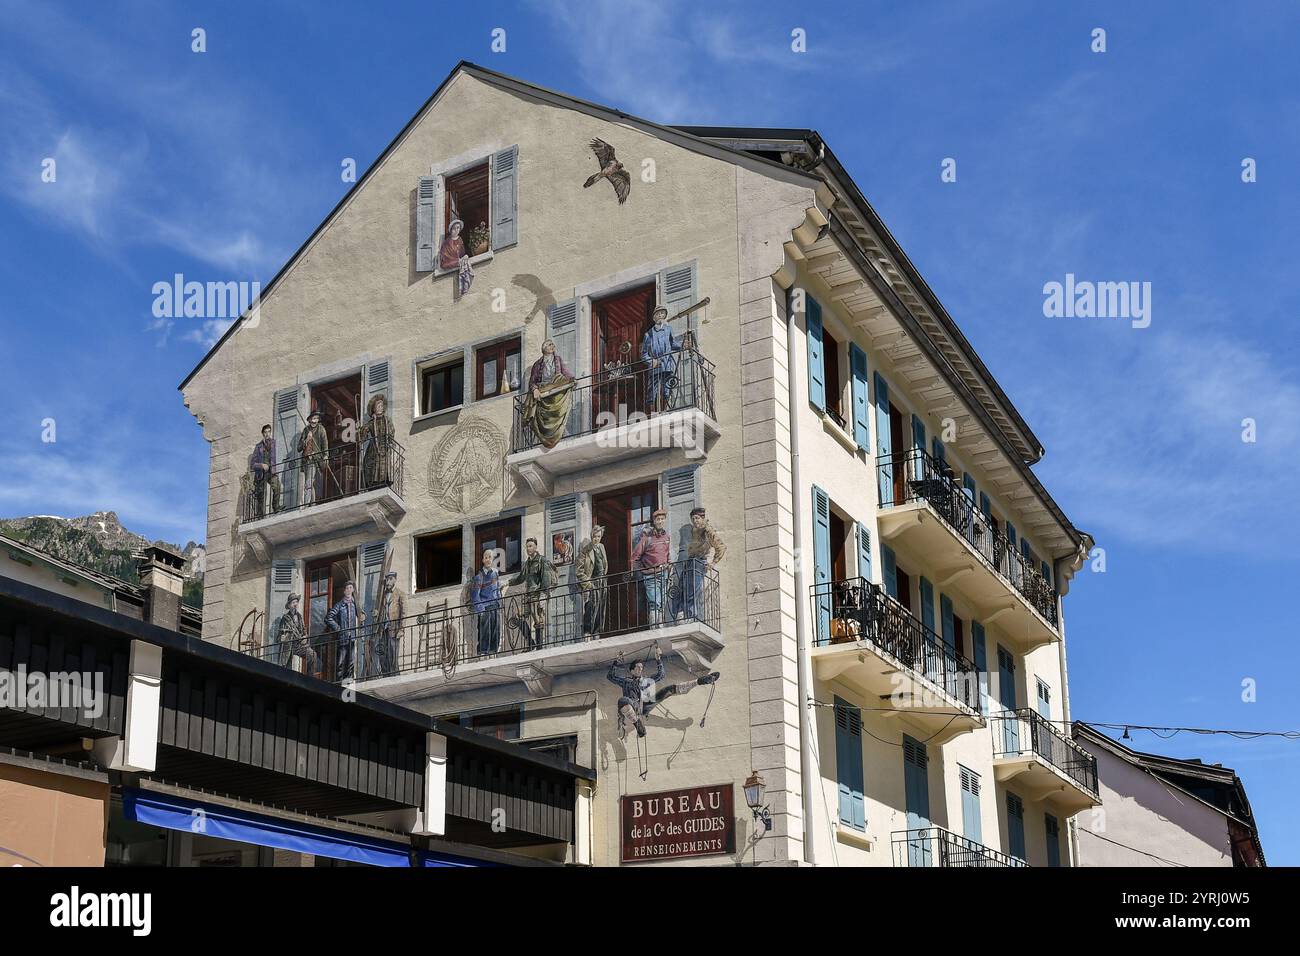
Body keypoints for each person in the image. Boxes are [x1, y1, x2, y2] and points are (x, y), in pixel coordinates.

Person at [606, 646, 719, 739]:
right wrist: (616, 661)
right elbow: (610, 676)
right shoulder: (625, 681)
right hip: (631, 705)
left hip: (644, 706)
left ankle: (700, 681)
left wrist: (658, 659)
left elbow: (661, 675)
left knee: (668, 690)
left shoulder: (646, 680)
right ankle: (637, 724)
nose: (640, 669)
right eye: (637, 668)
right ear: (631, 670)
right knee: (623, 700)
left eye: (641, 668)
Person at [671, 507, 727, 622]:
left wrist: (713, 563)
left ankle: (692, 617)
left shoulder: (708, 531)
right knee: (683, 588)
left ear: (702, 518)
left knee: (692, 591)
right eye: (693, 519)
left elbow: (721, 547)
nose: (695, 521)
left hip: (699, 562)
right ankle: (684, 615)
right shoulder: (695, 530)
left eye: (697, 518)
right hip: (690, 562)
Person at [522, 339, 574, 449]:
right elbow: (532, 381)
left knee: (560, 378)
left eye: (552, 345)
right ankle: (548, 433)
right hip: (544, 389)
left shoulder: (558, 359)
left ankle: (561, 430)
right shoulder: (537, 364)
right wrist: (535, 389)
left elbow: (565, 372)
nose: (552, 347)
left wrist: (572, 379)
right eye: (550, 345)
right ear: (544, 349)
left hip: (556, 387)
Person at [507, 537, 558, 649]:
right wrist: (507, 583)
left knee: (538, 621)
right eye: (527, 546)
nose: (528, 548)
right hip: (528, 596)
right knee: (517, 615)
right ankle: (531, 643)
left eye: (530, 546)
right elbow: (521, 578)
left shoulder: (541, 560)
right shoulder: (527, 563)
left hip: (537, 595)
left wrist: (543, 596)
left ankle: (539, 647)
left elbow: (545, 580)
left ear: (535, 547)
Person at [630, 509, 671, 625]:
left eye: (662, 519)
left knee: (662, 602)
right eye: (658, 519)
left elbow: (667, 555)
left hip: (664, 573)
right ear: (654, 521)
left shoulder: (667, 537)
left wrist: (669, 565)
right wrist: (642, 572)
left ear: (665, 520)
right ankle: (654, 628)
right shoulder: (646, 539)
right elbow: (635, 557)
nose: (660, 521)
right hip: (650, 575)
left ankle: (661, 626)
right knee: (654, 602)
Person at [640, 306, 683, 413]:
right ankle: (652, 412)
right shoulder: (648, 334)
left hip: (667, 363)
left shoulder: (668, 330)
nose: (660, 316)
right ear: (654, 318)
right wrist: (651, 361)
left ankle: (665, 410)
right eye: (657, 314)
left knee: (667, 388)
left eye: (662, 314)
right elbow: (644, 354)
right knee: (652, 391)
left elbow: (673, 344)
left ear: (664, 316)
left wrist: (683, 345)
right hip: (655, 365)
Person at [325, 580, 362, 681]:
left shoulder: (355, 604)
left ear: (353, 589)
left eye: (350, 588)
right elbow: (328, 618)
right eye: (347, 588)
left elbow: (361, 615)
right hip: (343, 637)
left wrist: (362, 616)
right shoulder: (339, 605)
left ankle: (349, 680)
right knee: (341, 661)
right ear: (344, 591)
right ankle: (339, 681)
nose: (349, 590)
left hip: (353, 636)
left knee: (351, 661)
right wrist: (338, 628)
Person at [576, 525, 608, 638]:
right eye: (595, 536)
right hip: (591, 582)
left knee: (600, 607)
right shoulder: (586, 550)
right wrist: (588, 584)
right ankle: (587, 632)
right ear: (591, 536)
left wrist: (603, 578)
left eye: (599, 536)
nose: (597, 539)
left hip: (602, 581)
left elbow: (604, 565)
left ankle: (597, 632)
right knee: (590, 606)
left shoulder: (602, 547)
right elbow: (579, 571)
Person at [469, 550, 503, 655]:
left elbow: (497, 590)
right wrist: (480, 610)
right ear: (483, 560)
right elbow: (475, 596)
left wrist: (500, 603)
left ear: (492, 560)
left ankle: (494, 651)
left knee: (496, 630)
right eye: (486, 557)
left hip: (495, 606)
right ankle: (483, 652)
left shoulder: (495, 574)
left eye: (490, 557)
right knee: (485, 632)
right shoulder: (479, 577)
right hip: (485, 607)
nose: (488, 559)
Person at [273, 593, 317, 674]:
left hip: (299, 645)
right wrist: (282, 638)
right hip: (289, 645)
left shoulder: (299, 616)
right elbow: (278, 637)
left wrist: (305, 637)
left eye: (296, 602)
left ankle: (310, 678)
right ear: (289, 605)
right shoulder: (285, 618)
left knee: (312, 654)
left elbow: (304, 631)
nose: (295, 604)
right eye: (293, 603)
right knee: (287, 668)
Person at [372, 570, 404, 677]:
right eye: (387, 580)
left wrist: (401, 629)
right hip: (383, 629)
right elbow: (382, 610)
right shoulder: (383, 595)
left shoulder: (400, 594)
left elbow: (403, 613)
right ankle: (385, 675)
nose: (388, 582)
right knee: (382, 653)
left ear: (395, 579)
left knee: (393, 654)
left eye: (390, 579)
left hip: (394, 629)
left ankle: (395, 675)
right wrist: (377, 613)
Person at [359, 394, 395, 490]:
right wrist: (361, 430)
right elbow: (362, 437)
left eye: (381, 406)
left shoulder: (388, 421)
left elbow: (391, 433)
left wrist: (391, 443)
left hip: (385, 446)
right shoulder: (370, 423)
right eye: (377, 406)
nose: (380, 408)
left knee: (384, 465)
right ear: (374, 409)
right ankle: (373, 484)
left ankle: (385, 482)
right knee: (372, 466)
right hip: (374, 448)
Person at [248, 424, 282, 518]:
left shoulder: (273, 443)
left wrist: (273, 467)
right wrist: (261, 465)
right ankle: (260, 514)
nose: (267, 434)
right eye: (265, 432)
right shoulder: (258, 446)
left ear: (270, 432)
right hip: (261, 473)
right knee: (261, 494)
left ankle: (276, 507)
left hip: (271, 471)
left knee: (277, 487)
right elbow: (252, 465)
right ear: (263, 433)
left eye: (269, 432)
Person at [297, 409, 329, 505]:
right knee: (310, 483)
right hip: (306, 460)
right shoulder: (306, 430)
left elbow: (325, 443)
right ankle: (313, 503)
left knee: (309, 482)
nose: (314, 420)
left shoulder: (321, 429)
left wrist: (326, 455)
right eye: (313, 418)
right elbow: (298, 448)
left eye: (316, 418)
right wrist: (306, 440)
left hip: (316, 460)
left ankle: (306, 504)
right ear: (310, 420)